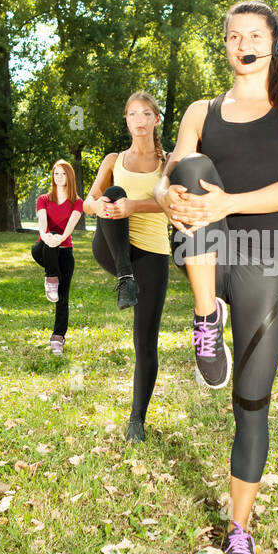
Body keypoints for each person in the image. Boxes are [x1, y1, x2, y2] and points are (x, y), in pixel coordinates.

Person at [155, 0, 278, 554]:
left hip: (268, 260)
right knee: (192, 168)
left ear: (273, 44)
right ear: (224, 46)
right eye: (231, 35)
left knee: (250, 402)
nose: (242, 43)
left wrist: (231, 203)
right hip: (208, 253)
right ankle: (205, 320)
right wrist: (164, 196)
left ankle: (240, 530)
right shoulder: (201, 110)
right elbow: (169, 174)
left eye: (253, 34)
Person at [83, 92, 172, 443]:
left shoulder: (169, 163)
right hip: (112, 247)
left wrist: (132, 206)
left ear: (156, 120)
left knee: (145, 341)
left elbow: (171, 207)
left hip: (151, 254)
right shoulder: (113, 159)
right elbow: (88, 201)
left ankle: (137, 419)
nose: (138, 119)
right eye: (132, 113)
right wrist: (105, 207)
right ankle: (124, 278)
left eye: (145, 113)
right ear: (127, 121)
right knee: (113, 190)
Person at [32, 160, 83, 355]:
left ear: (69, 177)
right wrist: (49, 238)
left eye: (62, 174)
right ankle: (51, 277)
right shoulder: (43, 199)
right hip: (43, 248)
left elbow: (70, 226)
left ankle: (58, 337)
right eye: (56, 174)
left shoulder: (77, 202)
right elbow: (42, 224)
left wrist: (60, 239)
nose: (59, 177)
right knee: (50, 238)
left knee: (63, 297)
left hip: (64, 252)